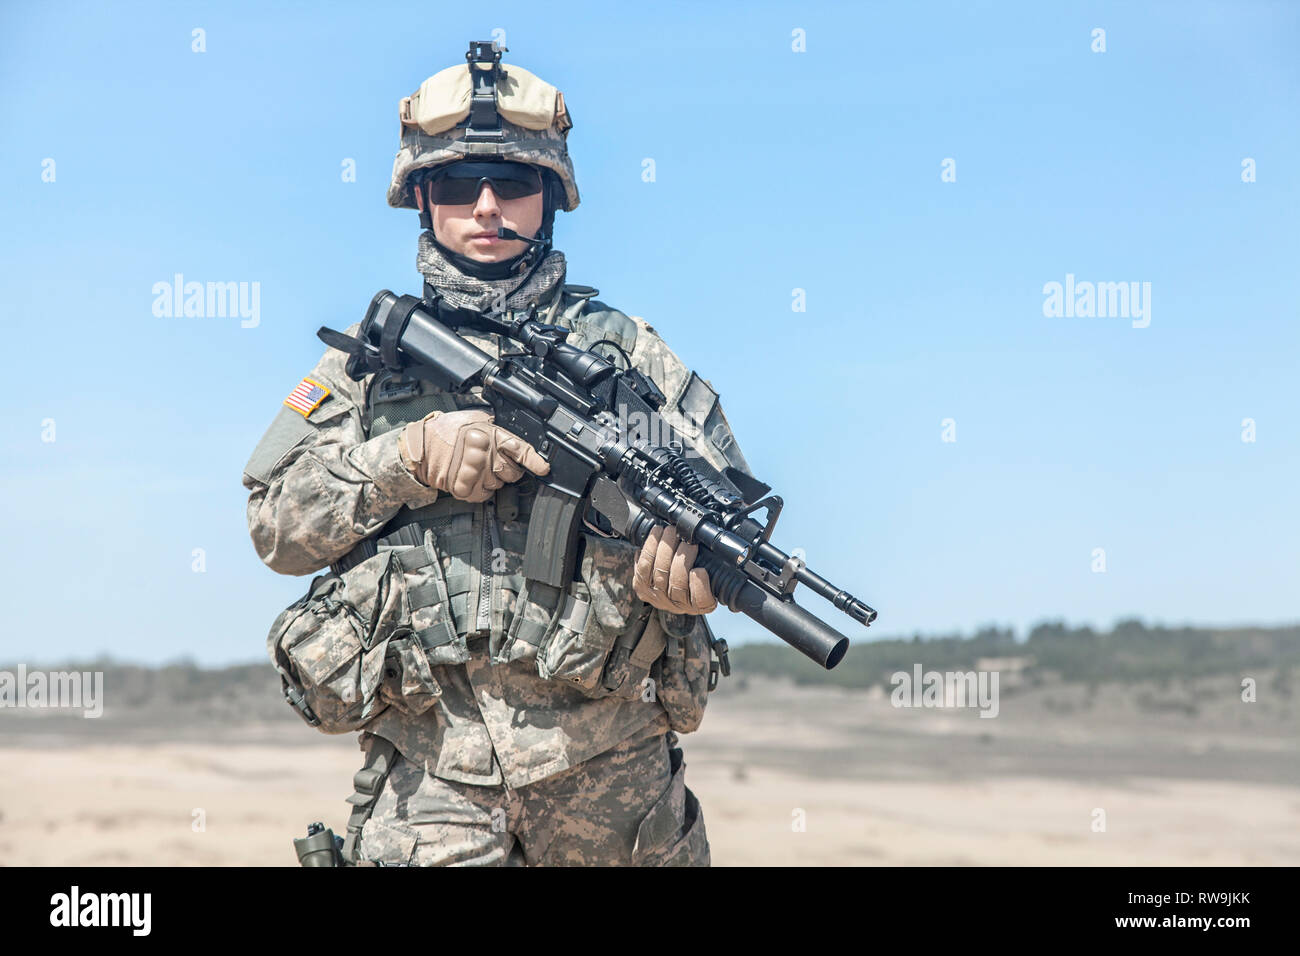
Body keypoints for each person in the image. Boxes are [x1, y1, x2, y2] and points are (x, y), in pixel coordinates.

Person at [242, 42, 752, 866]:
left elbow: (713, 503)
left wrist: (692, 584)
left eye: (513, 183)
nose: (486, 207)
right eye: (455, 184)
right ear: (420, 199)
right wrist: (406, 456)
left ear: (549, 198)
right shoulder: (366, 370)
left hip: (613, 777)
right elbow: (275, 528)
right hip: (430, 779)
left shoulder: (633, 360)